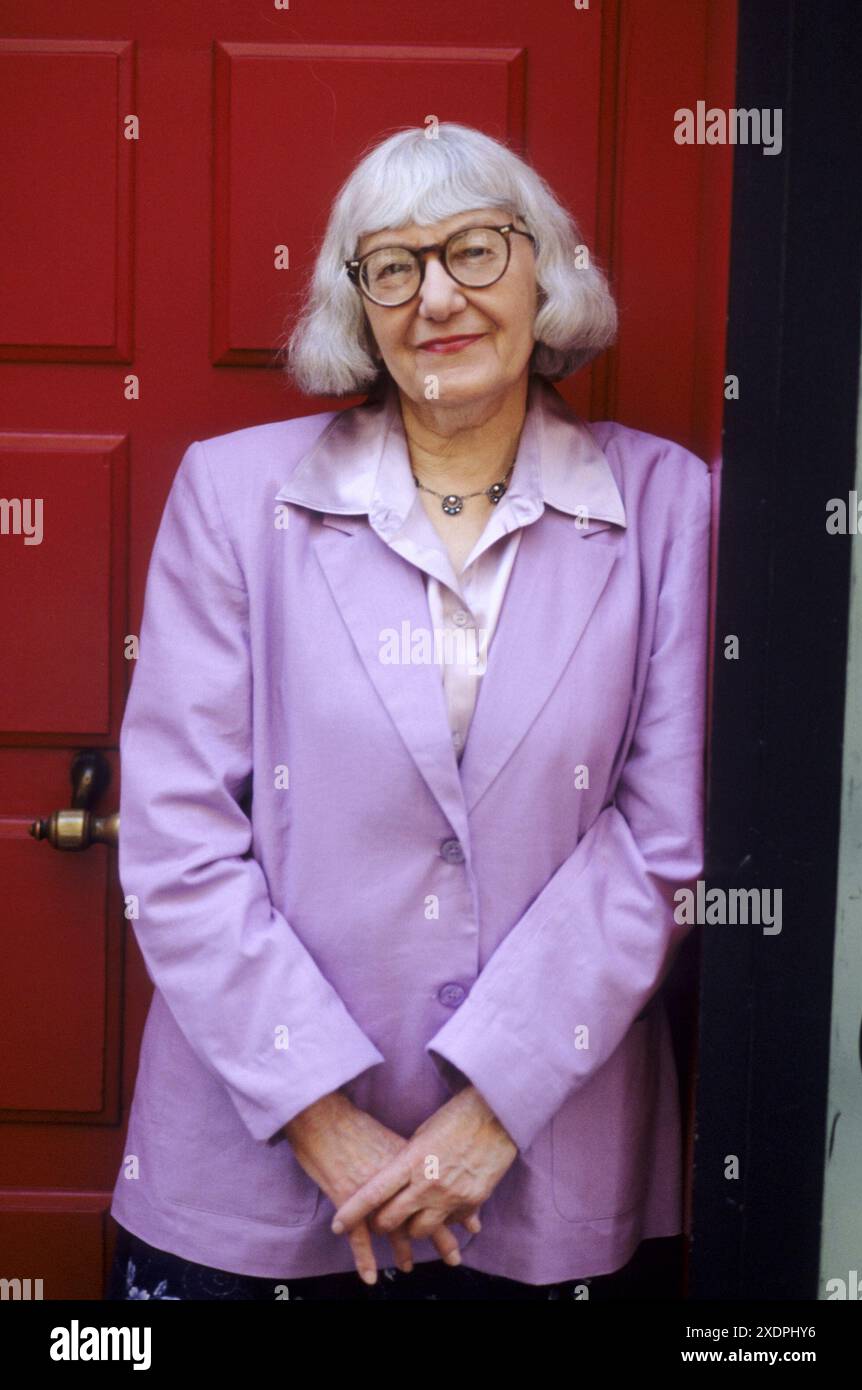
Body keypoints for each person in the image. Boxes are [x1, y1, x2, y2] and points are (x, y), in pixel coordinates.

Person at [106, 122, 712, 1301]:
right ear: (360, 306)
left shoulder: (663, 504)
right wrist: (318, 1121)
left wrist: (494, 1107)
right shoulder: (235, 498)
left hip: (544, 1168)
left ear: (546, 271)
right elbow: (176, 839)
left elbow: (663, 835)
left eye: (475, 251)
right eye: (391, 265)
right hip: (251, 1172)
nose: (436, 295)